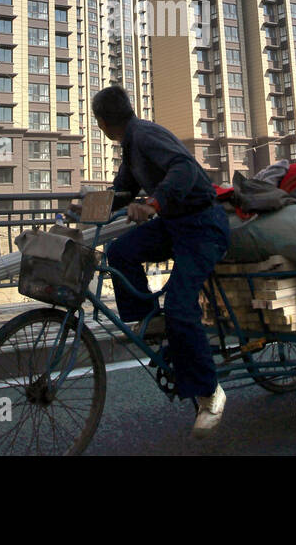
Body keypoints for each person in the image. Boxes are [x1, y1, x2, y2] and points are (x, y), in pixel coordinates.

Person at [90, 85, 230, 437]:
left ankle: (210, 393)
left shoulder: (146, 135)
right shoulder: (130, 147)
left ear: (102, 122)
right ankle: (150, 322)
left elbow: (183, 168)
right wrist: (85, 208)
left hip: (202, 226)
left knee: (182, 307)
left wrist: (152, 203)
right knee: (120, 251)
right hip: (174, 225)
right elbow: (121, 193)